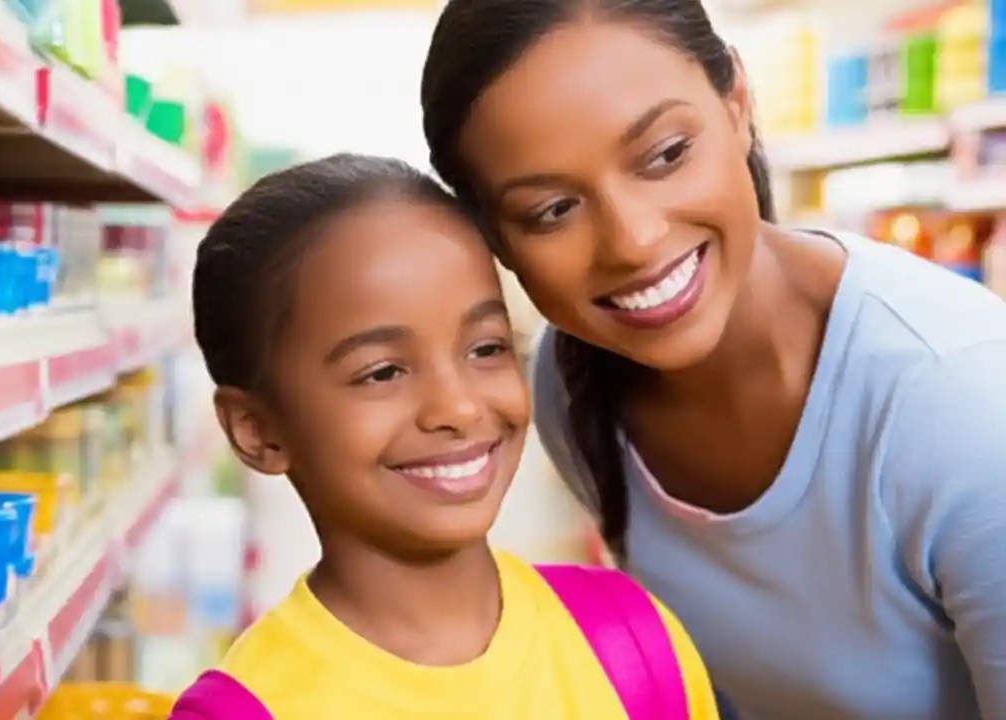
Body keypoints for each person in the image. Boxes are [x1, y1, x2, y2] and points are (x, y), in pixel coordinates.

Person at [419, 1, 1006, 718]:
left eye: (666, 155)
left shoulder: (961, 405)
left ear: (736, 101)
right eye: (551, 210)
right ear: (496, 242)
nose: (632, 240)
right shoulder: (571, 387)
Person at [169, 153, 720, 719]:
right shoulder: (248, 709)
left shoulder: (629, 642)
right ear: (256, 430)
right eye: (382, 372)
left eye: (486, 348)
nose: (457, 407)